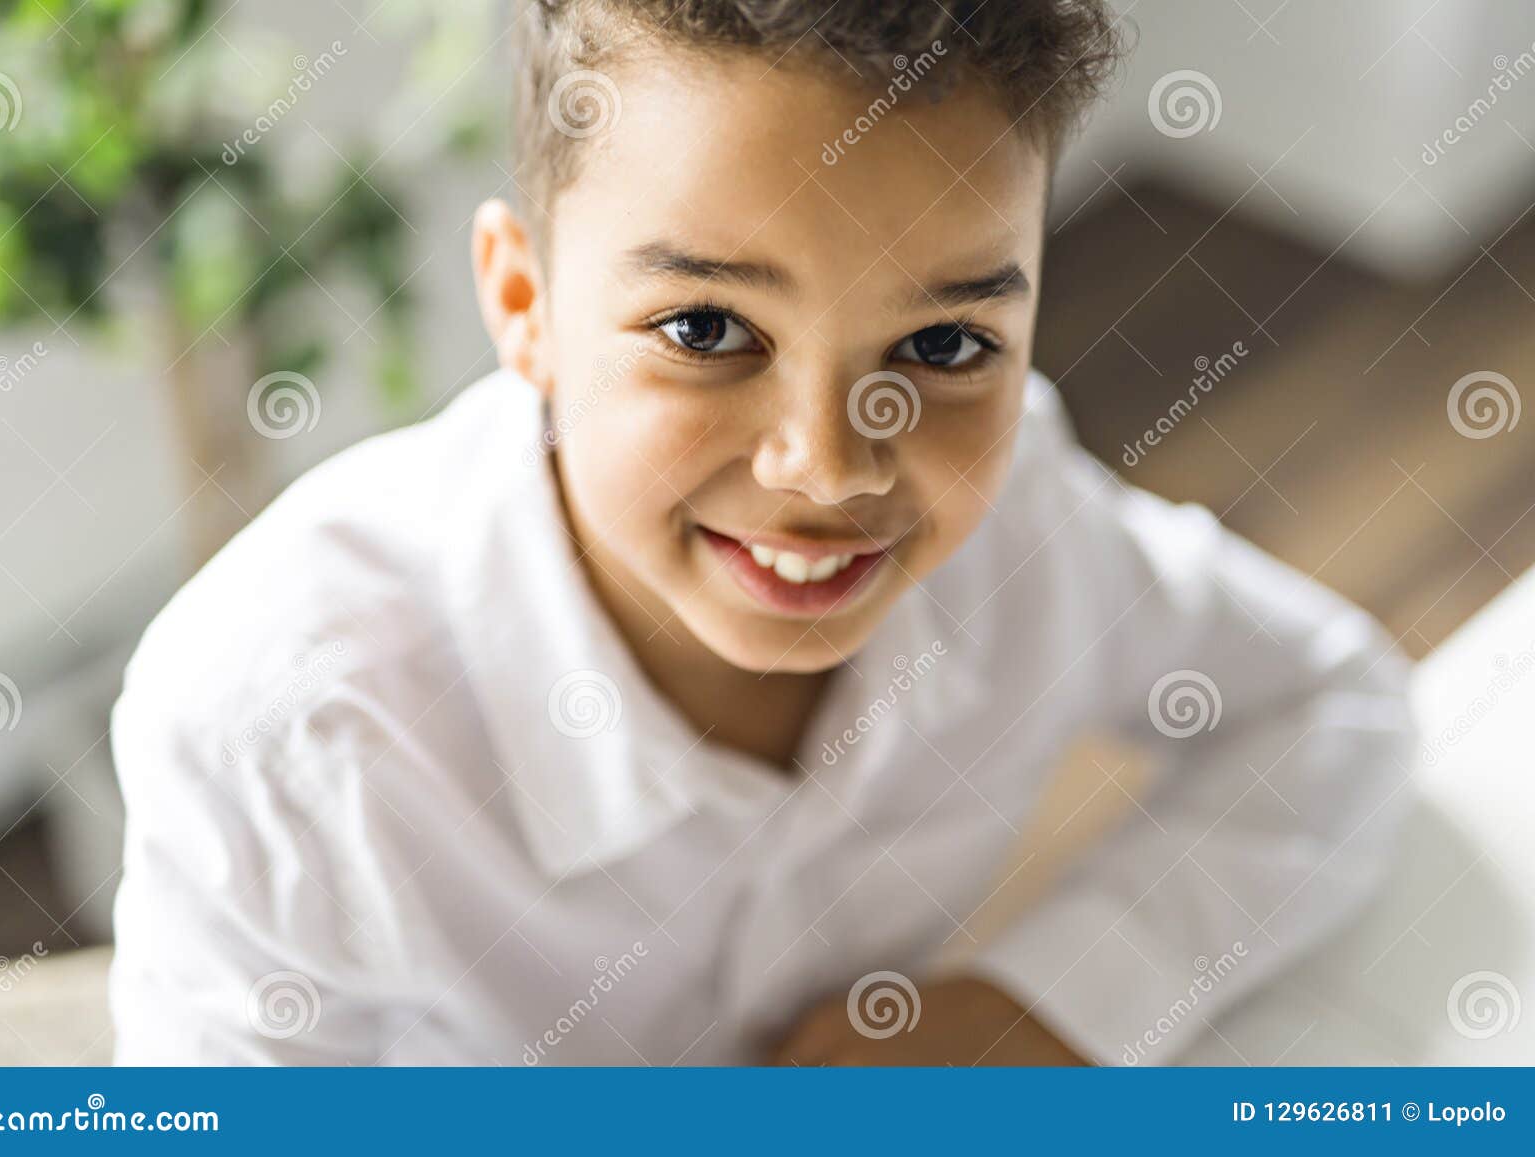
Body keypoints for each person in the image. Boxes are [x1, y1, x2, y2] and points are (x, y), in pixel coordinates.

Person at [109, 0, 1416, 1065]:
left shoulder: (1032, 527)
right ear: (527, 304)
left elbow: (1334, 704)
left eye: (946, 345)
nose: (830, 468)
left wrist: (1049, 1000)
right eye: (708, 330)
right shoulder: (276, 733)